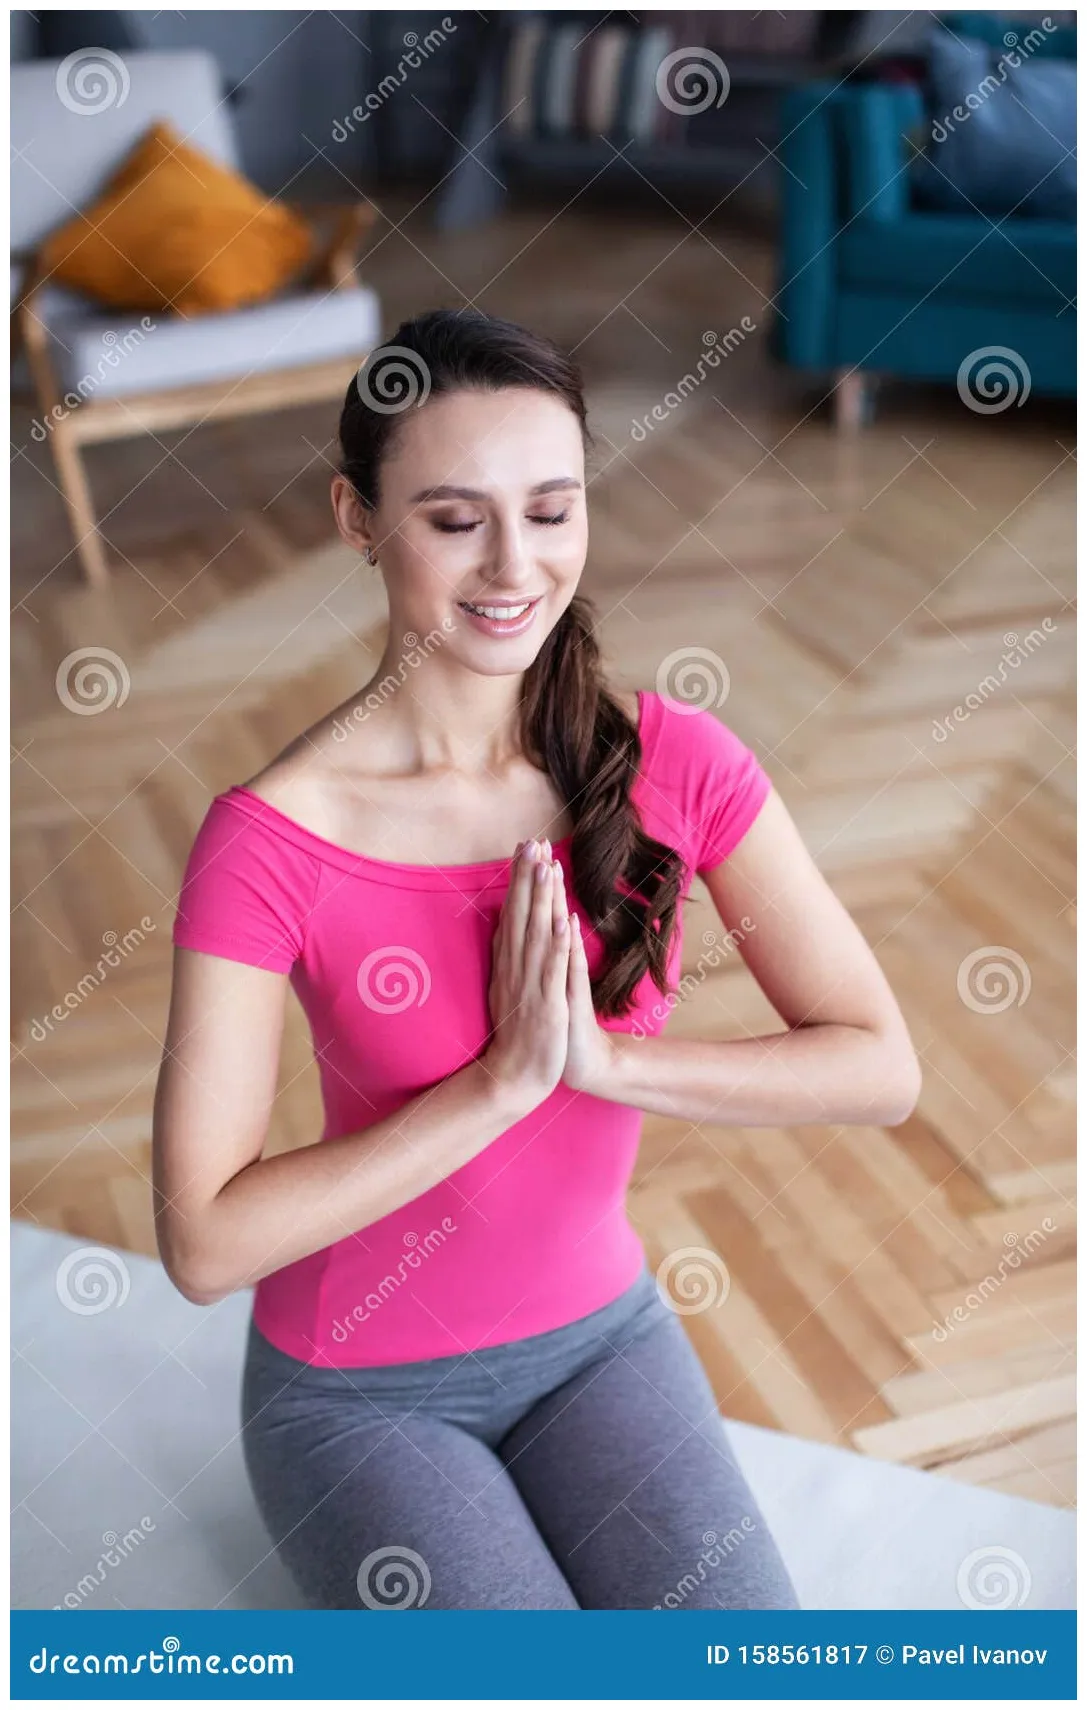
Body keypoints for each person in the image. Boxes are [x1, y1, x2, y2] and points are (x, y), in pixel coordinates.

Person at [152, 307, 920, 1612]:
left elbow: (878, 1067)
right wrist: (498, 1088)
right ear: (357, 517)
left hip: (597, 1345)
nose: (515, 562)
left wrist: (602, 1063)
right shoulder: (270, 839)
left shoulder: (676, 761)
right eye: (454, 519)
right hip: (358, 1395)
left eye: (552, 509)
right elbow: (205, 1241)